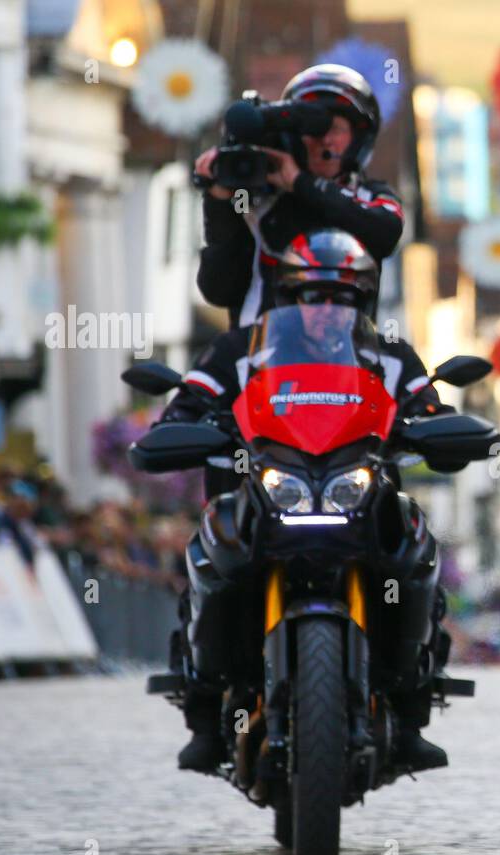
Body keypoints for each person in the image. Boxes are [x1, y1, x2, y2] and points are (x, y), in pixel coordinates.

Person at [159, 227, 452, 775]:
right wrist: (178, 425)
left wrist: (443, 429)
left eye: (340, 296)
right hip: (262, 491)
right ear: (288, 297)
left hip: (360, 494)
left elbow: (428, 408)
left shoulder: (390, 356)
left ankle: (410, 712)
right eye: (310, 296)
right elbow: (188, 403)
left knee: (414, 544)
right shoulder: (238, 350)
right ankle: (203, 711)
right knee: (212, 549)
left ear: (361, 299)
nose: (324, 308)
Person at [192, 64, 403, 328]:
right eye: (313, 133)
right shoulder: (256, 199)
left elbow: (386, 232)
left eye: (336, 129)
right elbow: (219, 290)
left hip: (347, 362)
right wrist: (220, 201)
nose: (325, 142)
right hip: (261, 361)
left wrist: (300, 182)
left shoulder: (371, 196)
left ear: (358, 138)